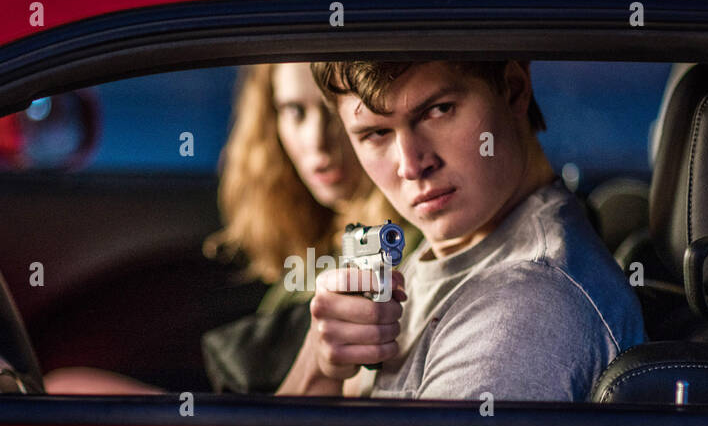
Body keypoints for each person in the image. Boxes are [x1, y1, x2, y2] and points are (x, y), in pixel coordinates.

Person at [0, 62, 413, 394]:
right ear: (268, 122)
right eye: (293, 112)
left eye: (333, 111)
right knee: (63, 386)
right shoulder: (324, 236)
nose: (317, 141)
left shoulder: (390, 252)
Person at [276, 59, 646, 401]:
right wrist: (320, 363)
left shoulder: (527, 307)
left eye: (438, 111)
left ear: (514, 89)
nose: (411, 165)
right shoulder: (455, 244)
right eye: (375, 133)